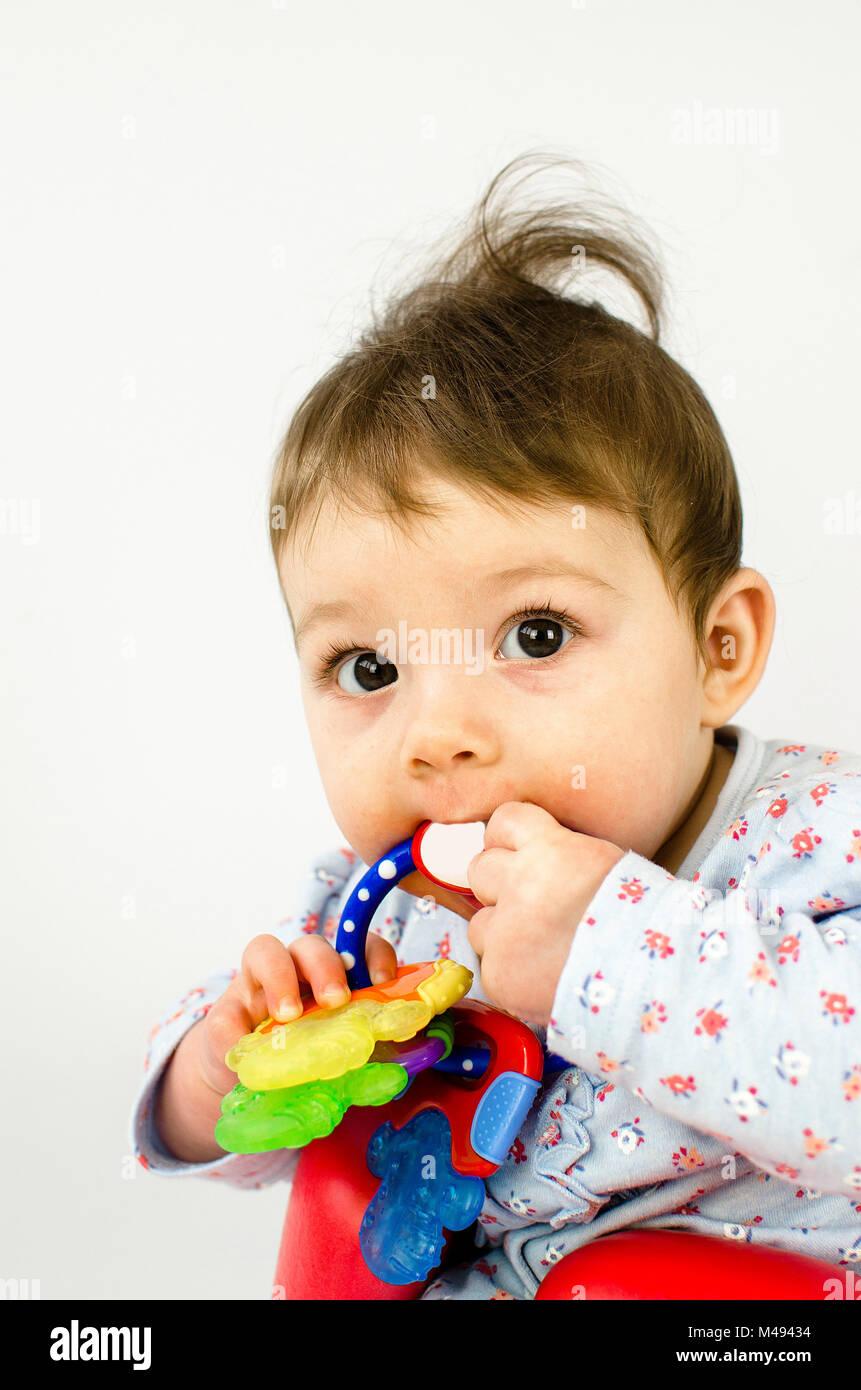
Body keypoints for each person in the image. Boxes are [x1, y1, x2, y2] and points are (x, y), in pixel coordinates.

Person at [129, 152, 861, 1299]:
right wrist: (225, 1057)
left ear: (720, 650)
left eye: (533, 635)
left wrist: (612, 953)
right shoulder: (386, 914)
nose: (438, 734)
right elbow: (227, 1123)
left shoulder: (819, 846)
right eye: (367, 665)